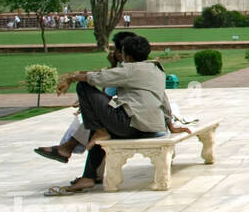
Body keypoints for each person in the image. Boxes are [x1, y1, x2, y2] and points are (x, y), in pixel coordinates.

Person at [46, 35, 186, 194]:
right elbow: (163, 100)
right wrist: (171, 126)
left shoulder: (130, 69)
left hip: (129, 125)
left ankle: (84, 158)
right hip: (152, 128)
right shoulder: (157, 71)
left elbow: (98, 78)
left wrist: (71, 78)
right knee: (100, 128)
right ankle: (89, 177)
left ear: (128, 57)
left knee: (84, 88)